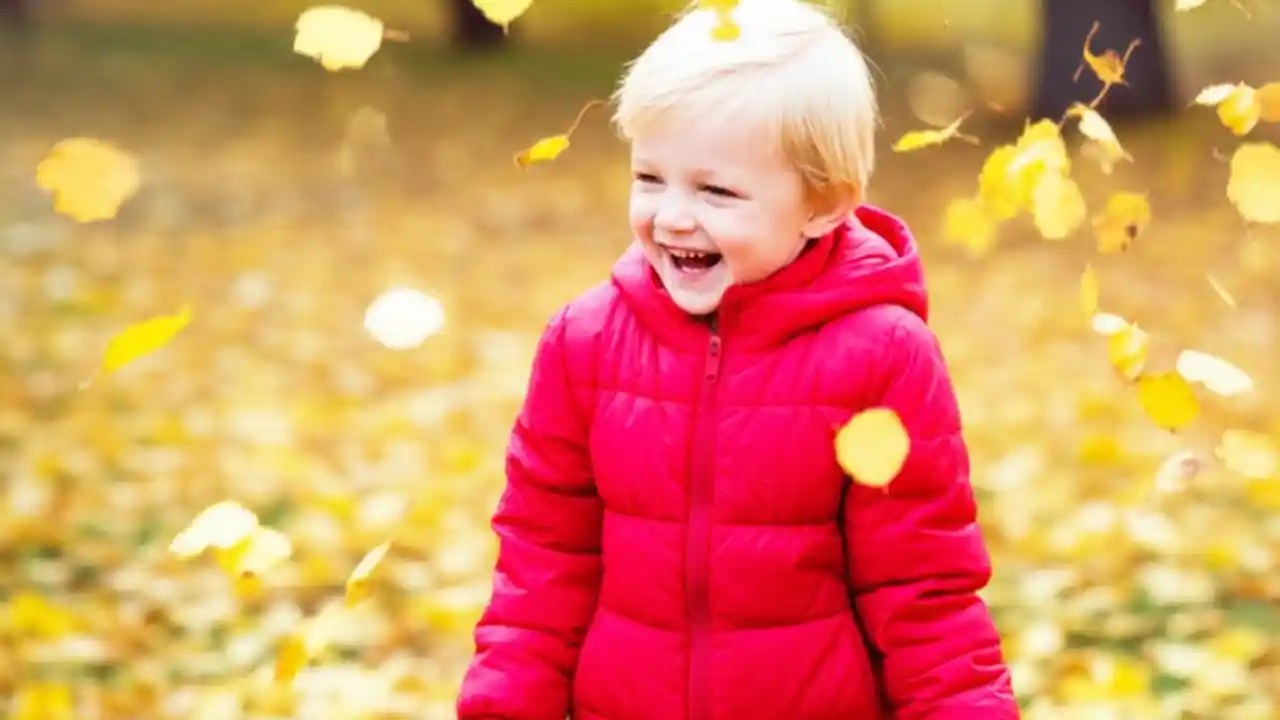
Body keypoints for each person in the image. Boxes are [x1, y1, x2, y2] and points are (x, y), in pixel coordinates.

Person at [456, 1, 1019, 718]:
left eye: (716, 190)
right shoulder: (585, 343)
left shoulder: (881, 359)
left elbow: (924, 595)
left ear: (823, 204)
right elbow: (541, 566)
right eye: (650, 178)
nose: (673, 216)